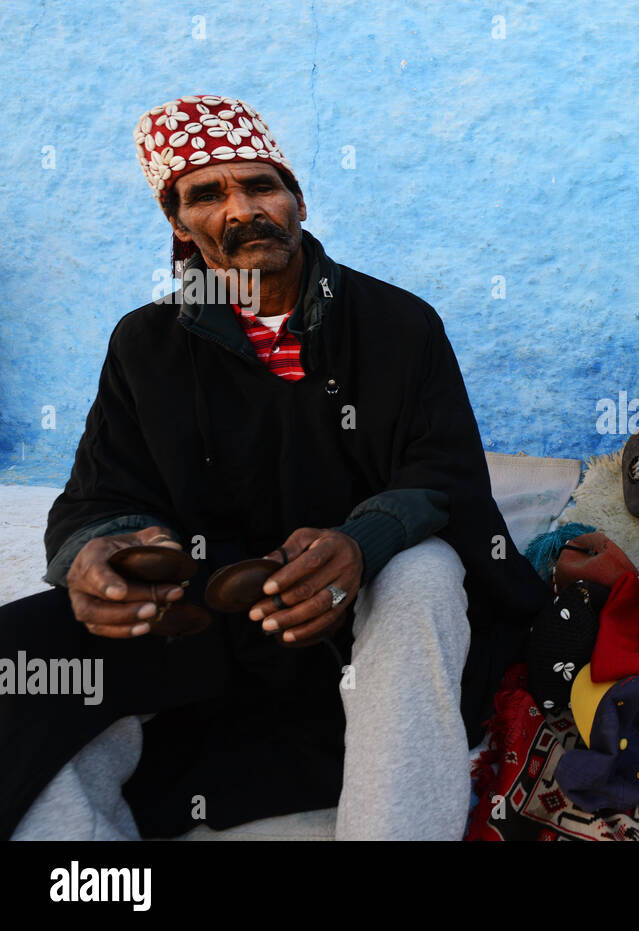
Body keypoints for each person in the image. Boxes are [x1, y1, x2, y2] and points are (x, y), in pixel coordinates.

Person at [0, 94, 547, 840]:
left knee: (421, 570)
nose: (241, 209)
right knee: (28, 649)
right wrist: (104, 551)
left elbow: (442, 478)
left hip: (361, 636)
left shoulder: (397, 324)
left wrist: (360, 545)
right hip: (219, 638)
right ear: (178, 224)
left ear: (296, 200)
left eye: (260, 185)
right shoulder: (145, 345)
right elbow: (102, 489)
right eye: (207, 195)